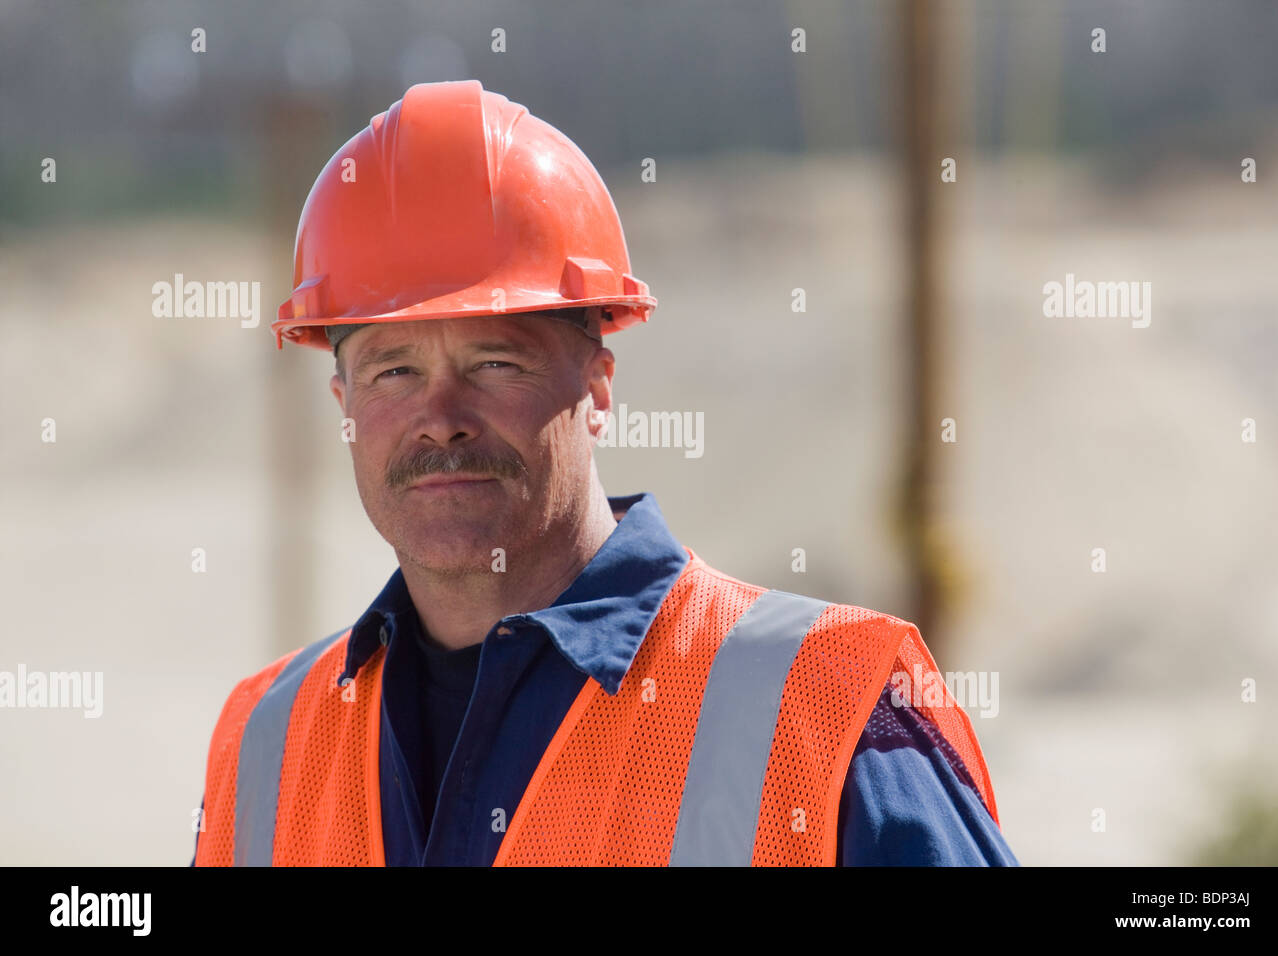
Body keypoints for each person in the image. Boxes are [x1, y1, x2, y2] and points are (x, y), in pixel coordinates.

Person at [192, 79, 1018, 867]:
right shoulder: (266, 744)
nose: (440, 416)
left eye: (494, 362)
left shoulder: (823, 707)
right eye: (393, 372)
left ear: (596, 389)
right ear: (343, 400)